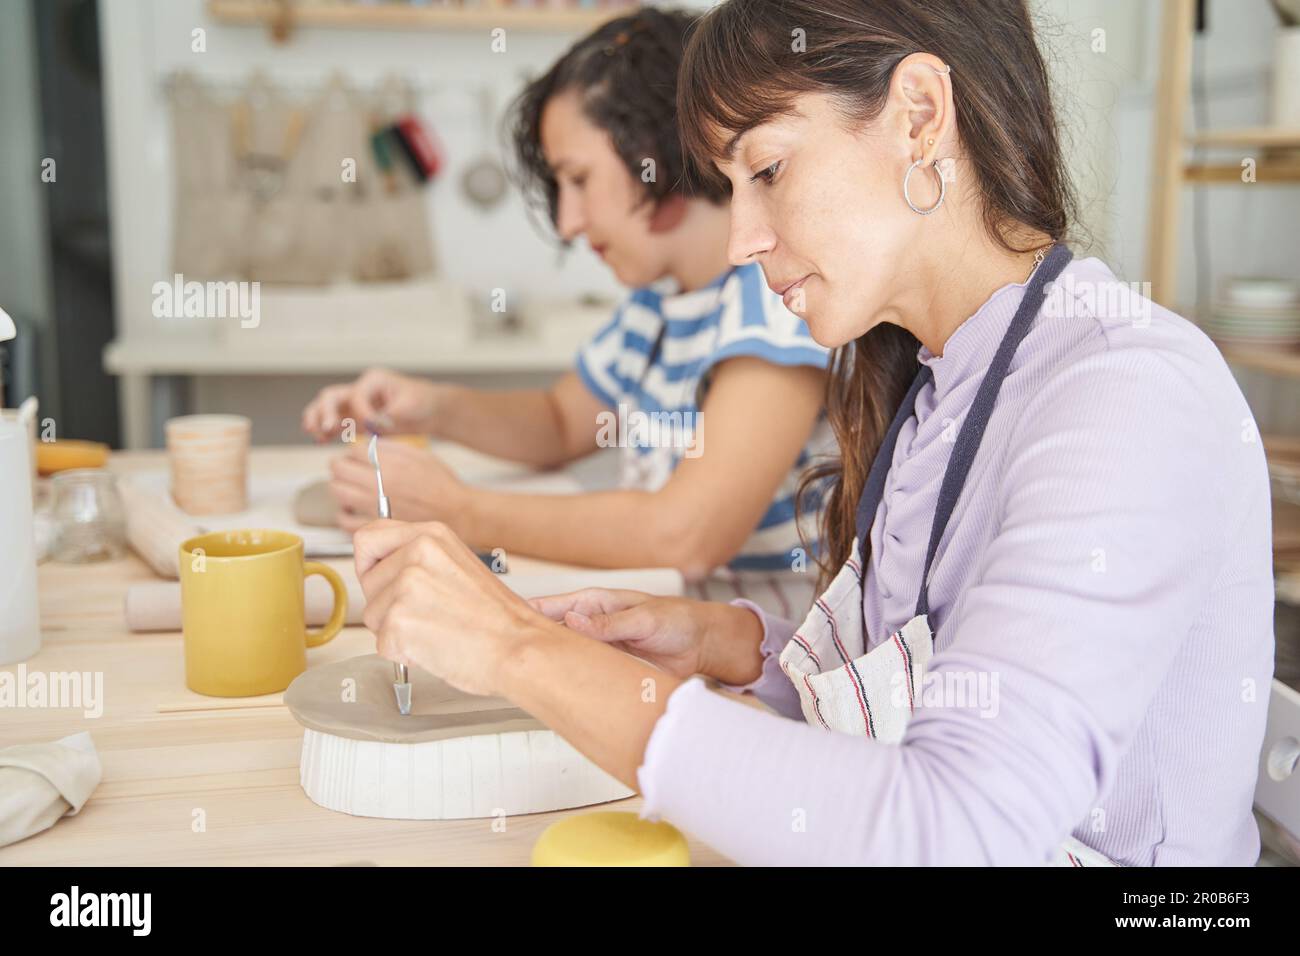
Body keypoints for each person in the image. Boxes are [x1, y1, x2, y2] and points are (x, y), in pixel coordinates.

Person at [349, 0, 1274, 865]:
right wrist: (735, 645)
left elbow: (957, 827)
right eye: (728, 187)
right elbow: (928, 681)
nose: (742, 239)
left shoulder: (1126, 391)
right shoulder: (927, 377)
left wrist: (520, 651)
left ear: (918, 114)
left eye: (769, 170)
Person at [302, 8, 832, 616]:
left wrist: (456, 508)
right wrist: (432, 406)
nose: (568, 222)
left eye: (578, 179)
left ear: (655, 152)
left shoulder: (774, 300)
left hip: (772, 661)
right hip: (679, 622)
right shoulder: (658, 304)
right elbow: (558, 423)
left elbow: (686, 534)